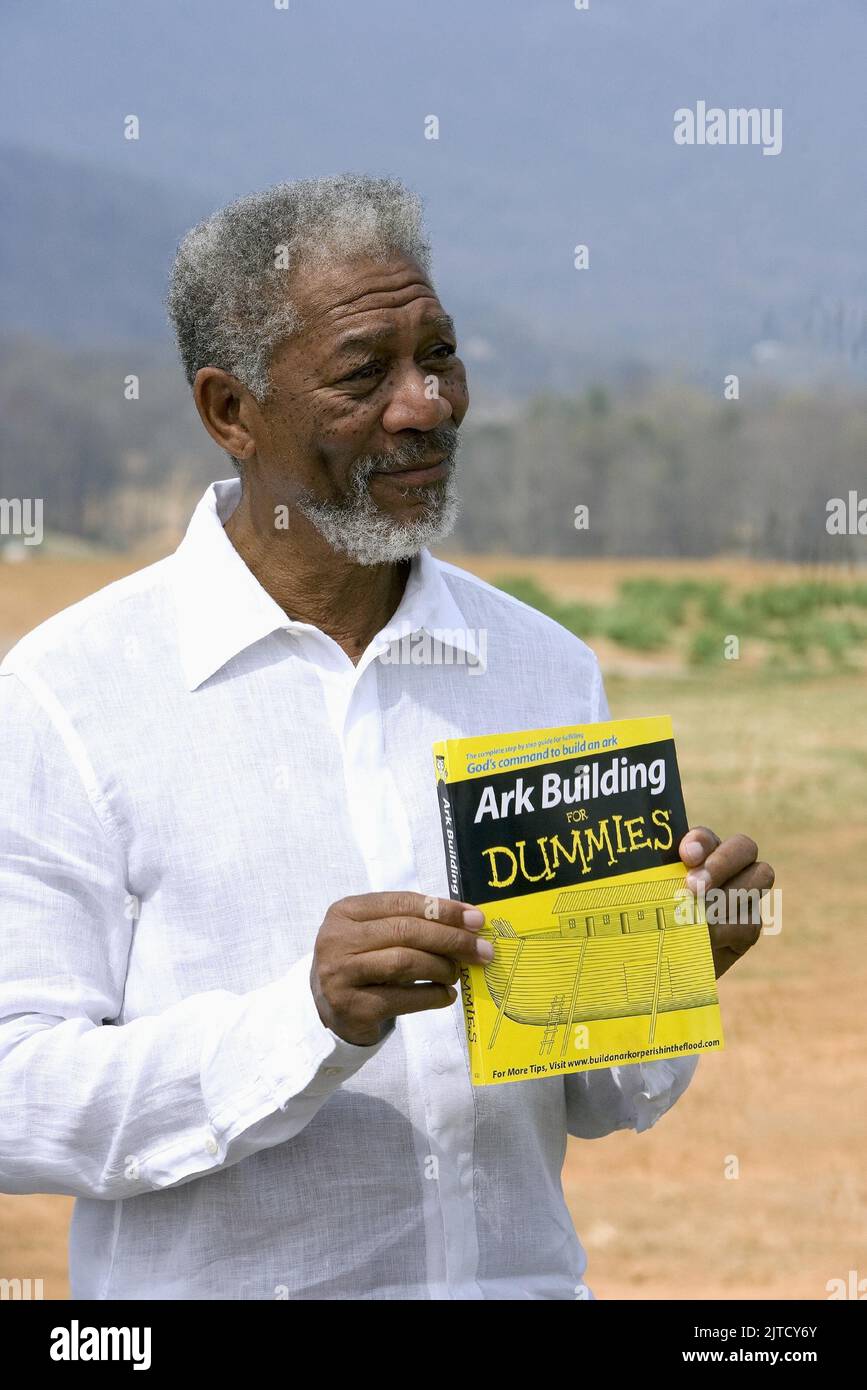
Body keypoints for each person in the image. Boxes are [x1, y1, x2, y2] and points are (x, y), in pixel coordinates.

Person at [0, 175, 774, 1299]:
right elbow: (17, 1094)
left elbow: (595, 1093)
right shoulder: (70, 698)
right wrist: (304, 1021)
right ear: (231, 411)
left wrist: (669, 964)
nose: (426, 405)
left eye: (441, 355)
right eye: (366, 373)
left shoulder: (543, 670)